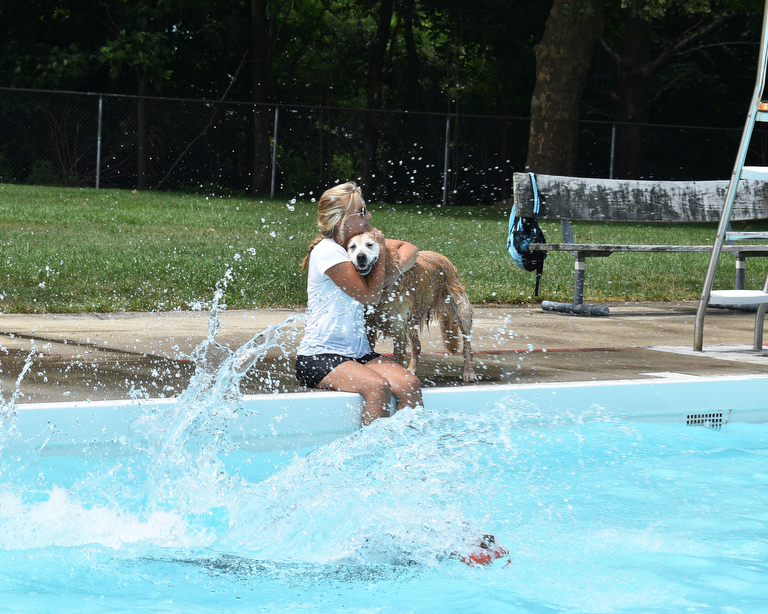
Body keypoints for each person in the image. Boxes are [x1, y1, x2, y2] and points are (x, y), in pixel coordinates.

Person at [294, 181, 423, 425]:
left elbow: (410, 248)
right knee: (378, 387)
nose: (369, 216)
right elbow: (369, 296)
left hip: (359, 354)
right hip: (320, 356)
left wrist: (393, 271)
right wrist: (382, 251)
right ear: (341, 220)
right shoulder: (328, 252)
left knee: (410, 385)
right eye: (362, 211)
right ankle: (371, 461)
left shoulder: (357, 242)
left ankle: (409, 456)